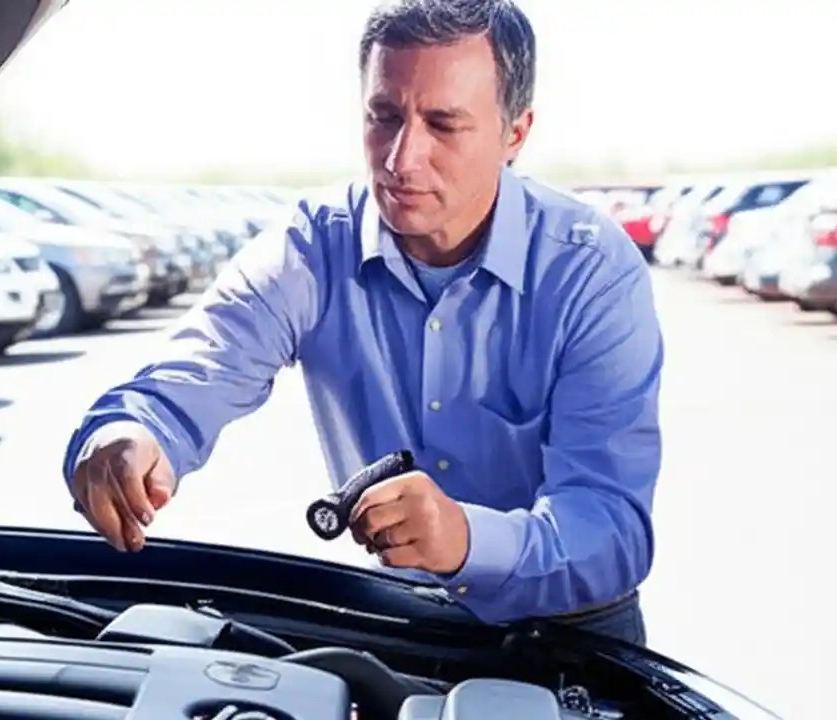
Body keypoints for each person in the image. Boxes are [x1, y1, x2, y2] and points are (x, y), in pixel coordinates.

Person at [61, 0, 662, 646]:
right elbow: (196, 371)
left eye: (443, 124)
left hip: (574, 635)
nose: (403, 159)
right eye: (384, 117)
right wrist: (130, 434)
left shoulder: (591, 271)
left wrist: (464, 538)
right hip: (395, 621)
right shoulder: (314, 247)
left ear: (515, 133)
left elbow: (609, 531)